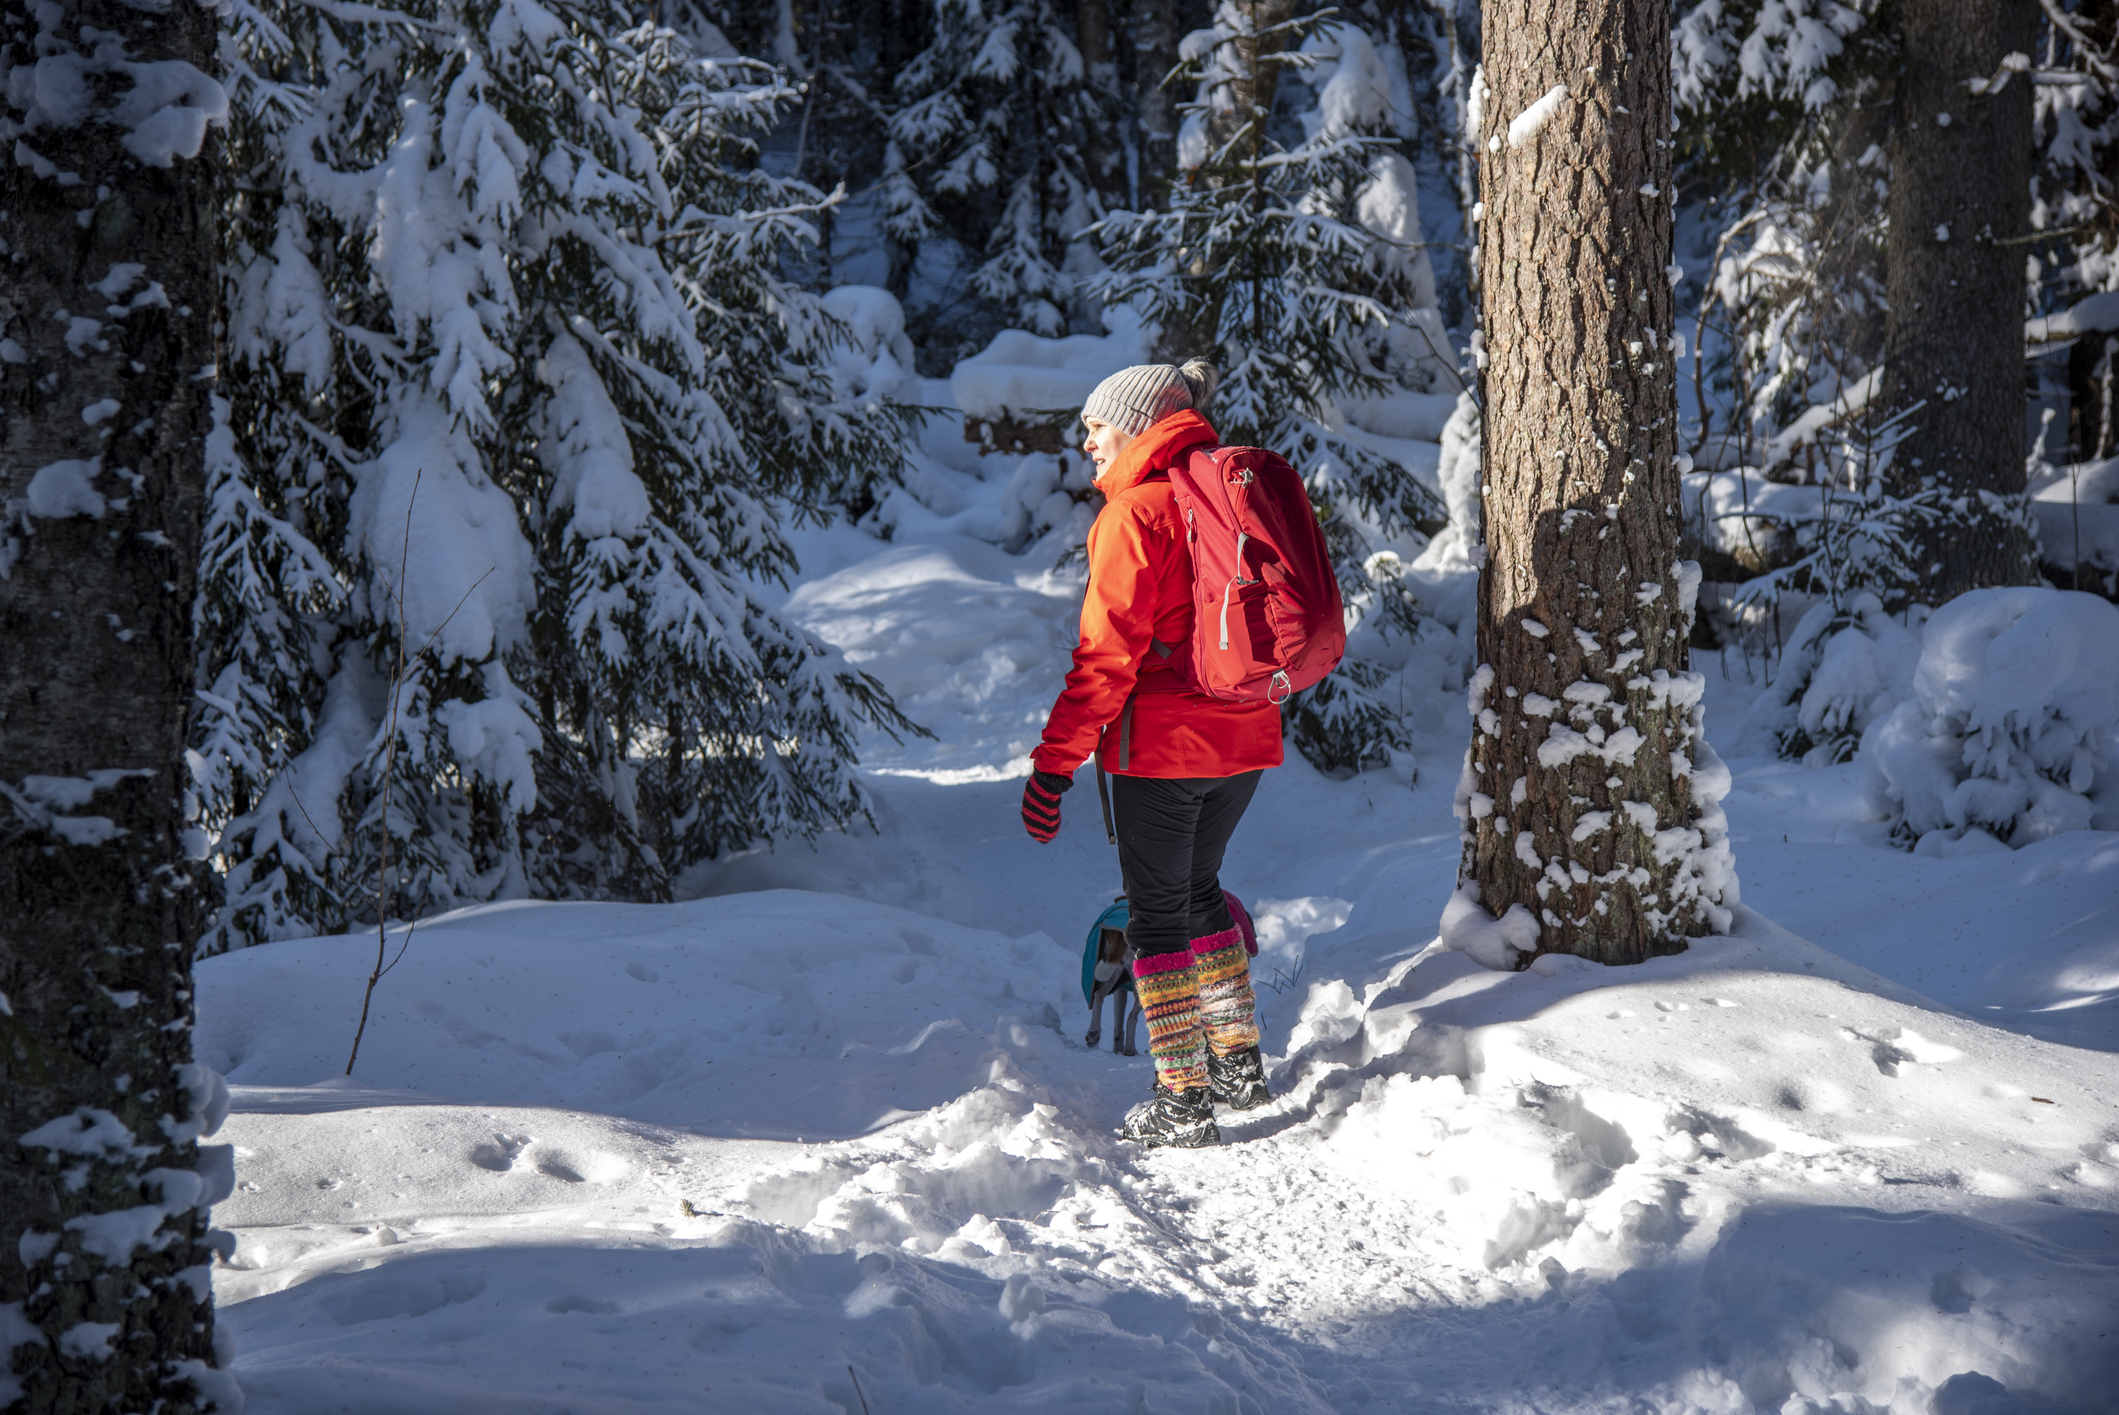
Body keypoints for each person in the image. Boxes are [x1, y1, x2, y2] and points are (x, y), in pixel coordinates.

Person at [1019, 359, 1279, 1149]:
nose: (1086, 438)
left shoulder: (1134, 515)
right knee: (1199, 891)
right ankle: (1236, 1065)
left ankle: (1182, 1100)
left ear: (1136, 426)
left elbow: (1105, 662)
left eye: (1097, 424)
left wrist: (1053, 764)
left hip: (1162, 751)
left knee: (1157, 914)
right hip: (1245, 741)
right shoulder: (1220, 498)